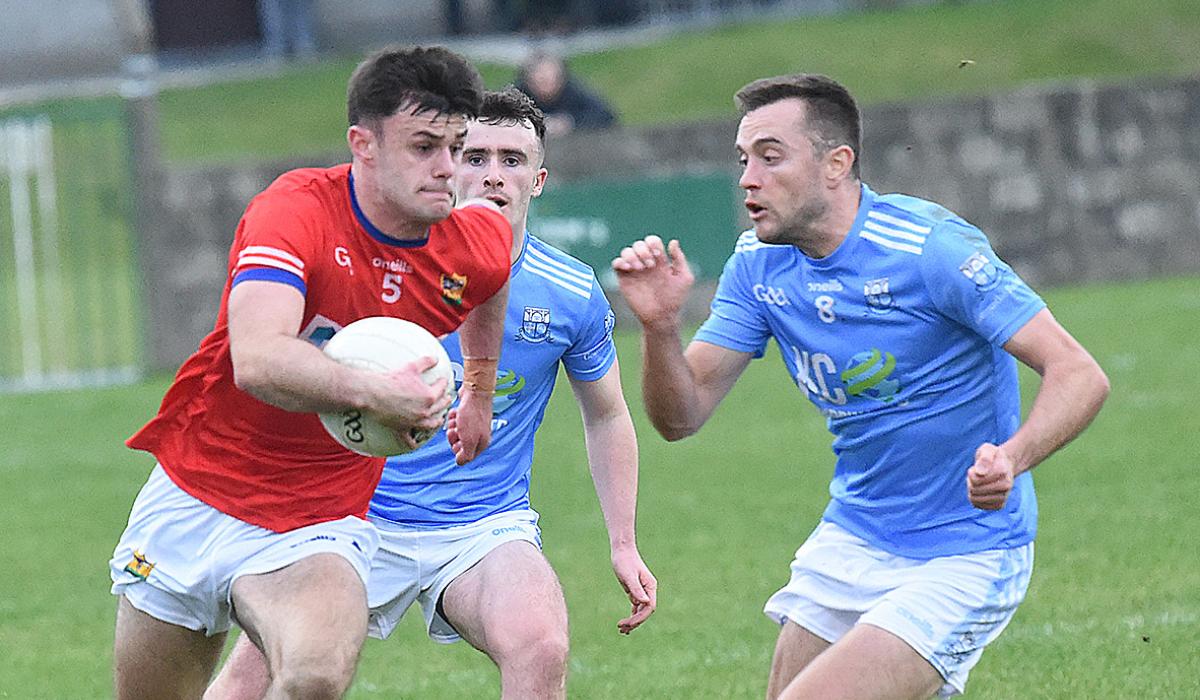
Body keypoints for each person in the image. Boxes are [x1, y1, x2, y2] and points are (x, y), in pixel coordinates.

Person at [612, 73, 1110, 699]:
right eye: (743, 160)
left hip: (966, 552)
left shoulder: (931, 249)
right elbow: (680, 417)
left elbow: (1079, 373)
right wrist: (659, 328)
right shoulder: (758, 265)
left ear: (836, 164)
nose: (747, 178)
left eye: (771, 157)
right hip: (855, 536)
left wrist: (1012, 458)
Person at [205, 87, 656, 700]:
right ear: (446, 164)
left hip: (483, 527)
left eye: (512, 160)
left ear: (539, 179)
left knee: (540, 642)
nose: (493, 176)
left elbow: (607, 417)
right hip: (349, 516)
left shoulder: (571, 292)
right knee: (256, 677)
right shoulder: (382, 265)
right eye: (476, 157)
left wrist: (623, 544)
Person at [109, 46, 515, 700]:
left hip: (319, 517)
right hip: (196, 488)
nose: (448, 170)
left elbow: (495, 264)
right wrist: (381, 393)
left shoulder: (469, 243)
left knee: (316, 675)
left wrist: (479, 389)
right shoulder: (297, 209)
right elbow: (260, 358)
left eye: (458, 147)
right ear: (364, 144)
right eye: (424, 146)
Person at [514, 52, 616, 137]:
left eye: (553, 80)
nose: (547, 87)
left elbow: (605, 115)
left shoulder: (574, 91)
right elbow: (501, 120)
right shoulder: (517, 96)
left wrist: (570, 123)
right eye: (541, 81)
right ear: (528, 82)